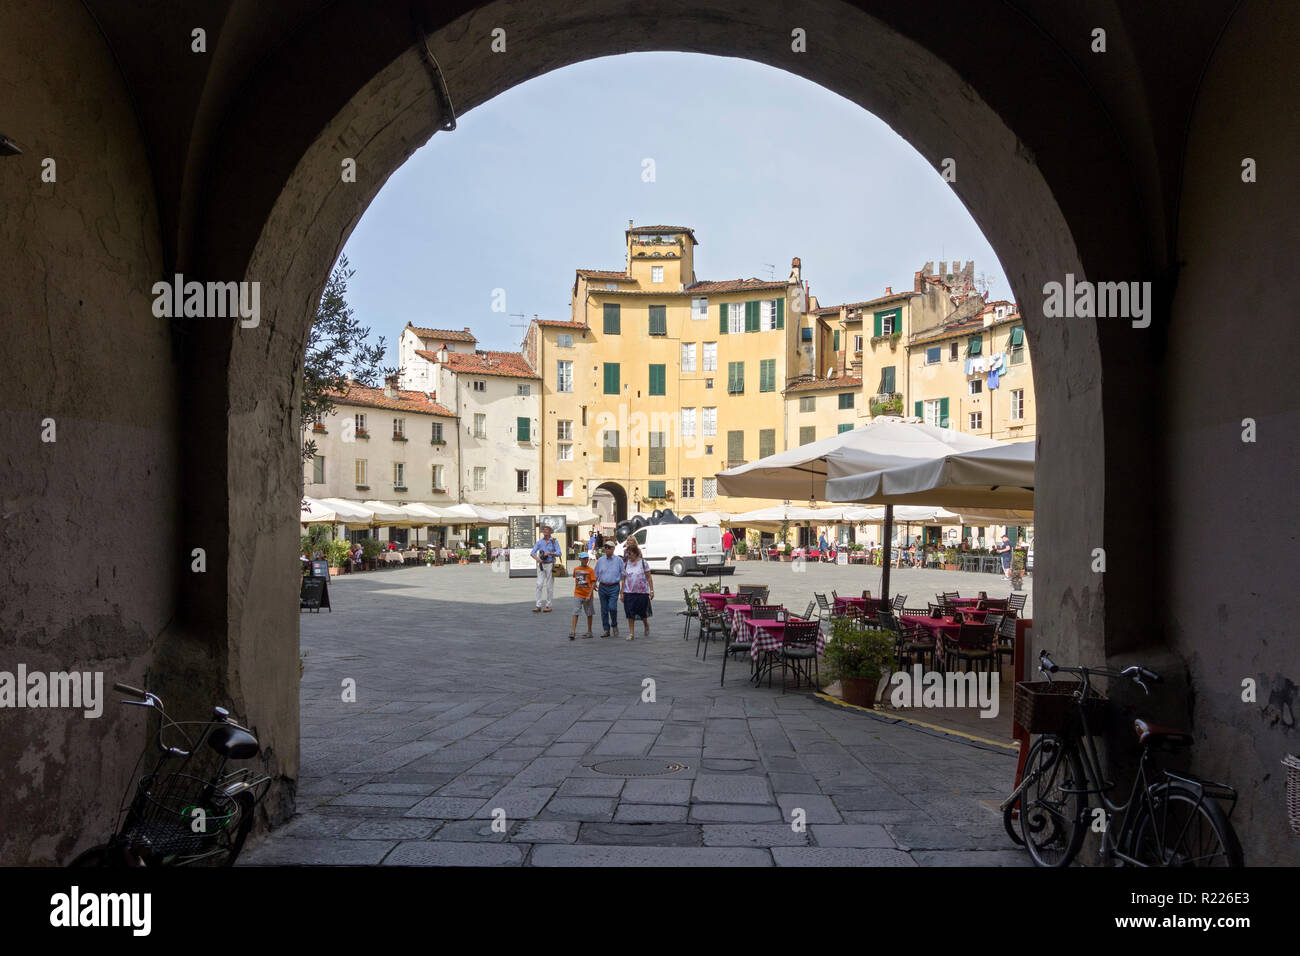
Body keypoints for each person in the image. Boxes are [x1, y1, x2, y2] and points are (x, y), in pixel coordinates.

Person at [620, 541, 654, 640]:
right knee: (630, 612)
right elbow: (623, 579)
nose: (628, 555)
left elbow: (649, 577)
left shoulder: (643, 563)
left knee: (642, 612)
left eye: (630, 553)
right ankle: (631, 633)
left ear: (635, 553)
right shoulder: (626, 564)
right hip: (629, 592)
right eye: (627, 553)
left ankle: (646, 624)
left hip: (642, 592)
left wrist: (651, 590)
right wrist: (621, 592)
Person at [594, 540, 624, 638]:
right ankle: (606, 629)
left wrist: (622, 589)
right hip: (602, 587)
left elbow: (623, 574)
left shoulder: (619, 560)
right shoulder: (600, 560)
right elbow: (596, 574)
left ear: (613, 549)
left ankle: (614, 625)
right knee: (604, 610)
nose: (607, 549)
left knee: (612, 608)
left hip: (614, 587)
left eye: (609, 547)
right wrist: (594, 584)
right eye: (605, 547)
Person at [530, 523, 561, 612]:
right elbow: (532, 552)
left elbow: (559, 553)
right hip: (541, 564)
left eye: (547, 529)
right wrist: (537, 559)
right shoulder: (540, 542)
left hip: (550, 564)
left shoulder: (554, 541)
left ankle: (548, 605)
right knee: (539, 584)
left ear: (550, 532)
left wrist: (550, 553)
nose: (545, 531)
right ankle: (538, 605)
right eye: (544, 530)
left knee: (549, 586)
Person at [569, 552, 596, 640]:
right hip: (578, 593)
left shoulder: (591, 570)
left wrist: (589, 594)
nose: (585, 560)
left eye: (586, 559)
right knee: (575, 612)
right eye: (583, 559)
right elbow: (575, 578)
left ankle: (589, 631)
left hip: (588, 595)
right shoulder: (576, 569)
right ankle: (573, 631)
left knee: (589, 613)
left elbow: (593, 582)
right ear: (580, 559)